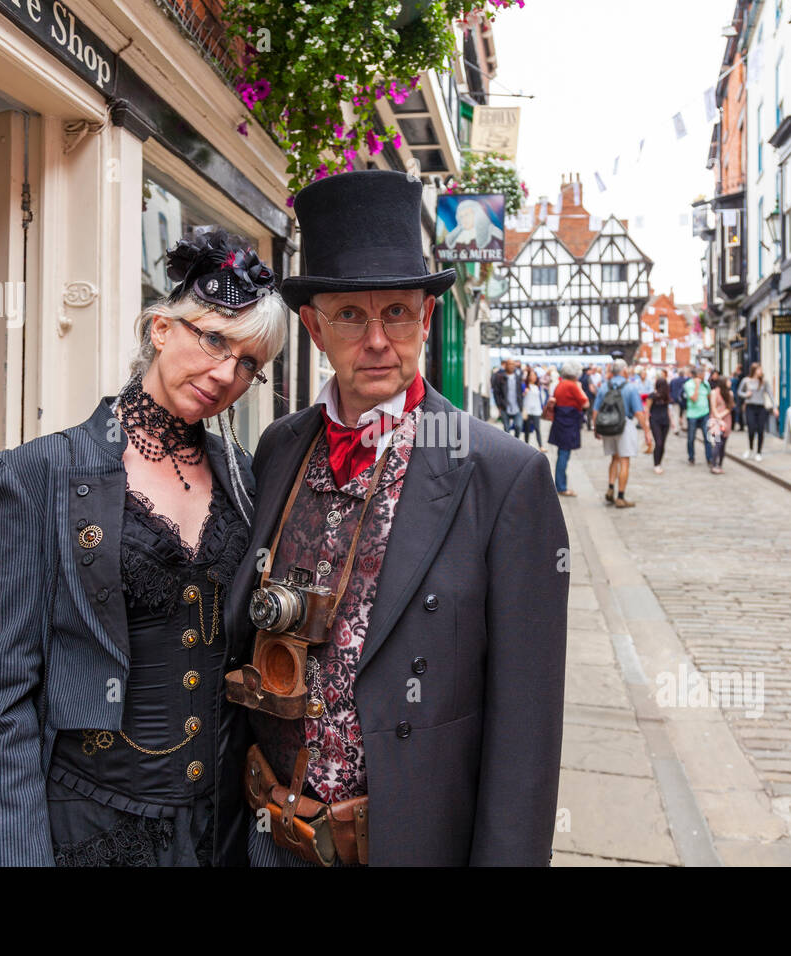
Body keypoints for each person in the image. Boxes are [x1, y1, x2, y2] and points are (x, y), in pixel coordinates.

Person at [228, 170, 568, 865]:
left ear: (428, 318)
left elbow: (526, 729)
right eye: (351, 315)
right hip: (267, 837)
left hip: (409, 843)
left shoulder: (504, 476)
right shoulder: (278, 447)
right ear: (314, 326)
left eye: (398, 313)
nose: (378, 340)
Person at [0, 230, 290, 866]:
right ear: (162, 328)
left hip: (217, 834)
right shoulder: (36, 476)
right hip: (89, 829)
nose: (226, 375)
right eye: (214, 339)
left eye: (249, 363)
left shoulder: (246, 481)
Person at [594, 359, 647, 508]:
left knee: (614, 458)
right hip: (625, 425)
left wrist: (596, 428)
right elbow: (638, 412)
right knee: (625, 461)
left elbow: (595, 410)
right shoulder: (630, 387)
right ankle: (621, 496)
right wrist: (647, 432)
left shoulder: (605, 386)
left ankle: (611, 487)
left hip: (607, 425)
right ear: (624, 371)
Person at [550, 360, 590, 495]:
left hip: (561, 421)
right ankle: (561, 486)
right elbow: (585, 403)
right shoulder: (572, 385)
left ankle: (560, 484)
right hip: (569, 422)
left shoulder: (560, 384)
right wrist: (579, 388)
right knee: (564, 454)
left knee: (562, 453)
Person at [738, 362, 774, 461]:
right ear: (754, 370)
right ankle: (750, 449)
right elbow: (739, 392)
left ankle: (758, 452)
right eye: (759, 370)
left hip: (761, 408)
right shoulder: (746, 380)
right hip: (750, 407)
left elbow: (770, 394)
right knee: (751, 429)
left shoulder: (764, 382)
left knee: (761, 430)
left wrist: (774, 407)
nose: (761, 372)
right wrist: (746, 394)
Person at [683, 366, 711, 466]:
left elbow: (708, 396)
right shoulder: (689, 384)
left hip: (705, 414)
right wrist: (697, 386)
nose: (704, 375)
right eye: (703, 373)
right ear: (698, 374)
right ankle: (691, 457)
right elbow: (694, 398)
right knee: (691, 438)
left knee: (707, 437)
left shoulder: (706, 384)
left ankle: (709, 458)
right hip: (692, 415)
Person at [707, 376, 734, 474]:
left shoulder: (730, 393)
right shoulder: (714, 392)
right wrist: (718, 416)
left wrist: (721, 415)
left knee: (723, 445)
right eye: (728, 381)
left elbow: (730, 407)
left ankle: (720, 465)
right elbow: (713, 406)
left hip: (726, 420)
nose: (730, 382)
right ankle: (714, 465)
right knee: (717, 443)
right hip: (715, 421)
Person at [648, 376, 672, 475]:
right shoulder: (652, 396)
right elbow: (647, 409)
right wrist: (646, 422)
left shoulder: (666, 396)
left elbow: (668, 409)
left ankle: (659, 463)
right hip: (655, 421)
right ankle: (656, 464)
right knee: (659, 442)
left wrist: (672, 421)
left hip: (665, 422)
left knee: (662, 444)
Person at [521, 367, 547, 451]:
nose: (532, 377)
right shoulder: (524, 385)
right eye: (531, 375)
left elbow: (540, 398)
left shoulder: (538, 386)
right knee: (527, 429)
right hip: (527, 410)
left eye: (534, 375)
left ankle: (541, 446)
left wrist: (542, 407)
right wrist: (524, 392)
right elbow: (521, 396)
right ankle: (526, 446)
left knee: (537, 428)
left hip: (536, 410)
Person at [669, 367, 688, 435]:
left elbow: (670, 390)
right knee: (685, 413)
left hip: (675, 400)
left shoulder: (673, 380)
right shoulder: (687, 380)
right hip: (684, 400)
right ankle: (684, 426)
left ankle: (676, 429)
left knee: (676, 414)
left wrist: (671, 398)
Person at [730, 367, 745, 431]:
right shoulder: (738, 380)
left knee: (734, 411)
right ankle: (740, 425)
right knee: (738, 411)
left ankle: (733, 426)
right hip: (737, 397)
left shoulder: (733, 380)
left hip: (734, 397)